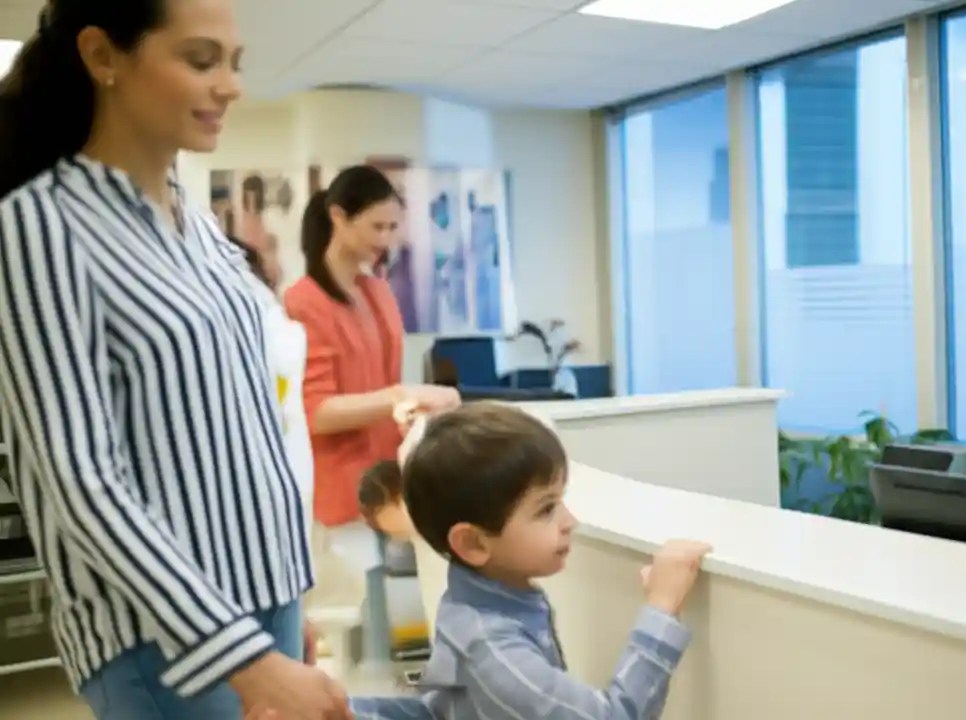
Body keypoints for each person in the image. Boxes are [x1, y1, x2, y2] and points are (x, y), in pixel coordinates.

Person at [0, 2, 351, 718]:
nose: (229, 85)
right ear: (103, 57)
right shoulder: (38, 226)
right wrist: (246, 657)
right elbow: (80, 483)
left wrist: (284, 602)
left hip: (261, 604)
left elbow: (239, 426)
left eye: (235, 62)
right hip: (165, 643)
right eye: (199, 60)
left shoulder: (200, 231)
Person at [339, 402, 712, 719]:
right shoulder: (492, 647)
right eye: (547, 509)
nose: (570, 522)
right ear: (472, 543)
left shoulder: (485, 604)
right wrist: (662, 607)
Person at [284, 165, 459, 600]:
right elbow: (317, 412)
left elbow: (385, 383)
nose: (386, 239)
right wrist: (401, 396)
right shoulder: (303, 302)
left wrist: (411, 405)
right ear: (339, 217)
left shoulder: (378, 291)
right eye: (376, 226)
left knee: (401, 616)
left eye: (393, 227)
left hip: (390, 477)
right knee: (356, 622)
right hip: (339, 488)